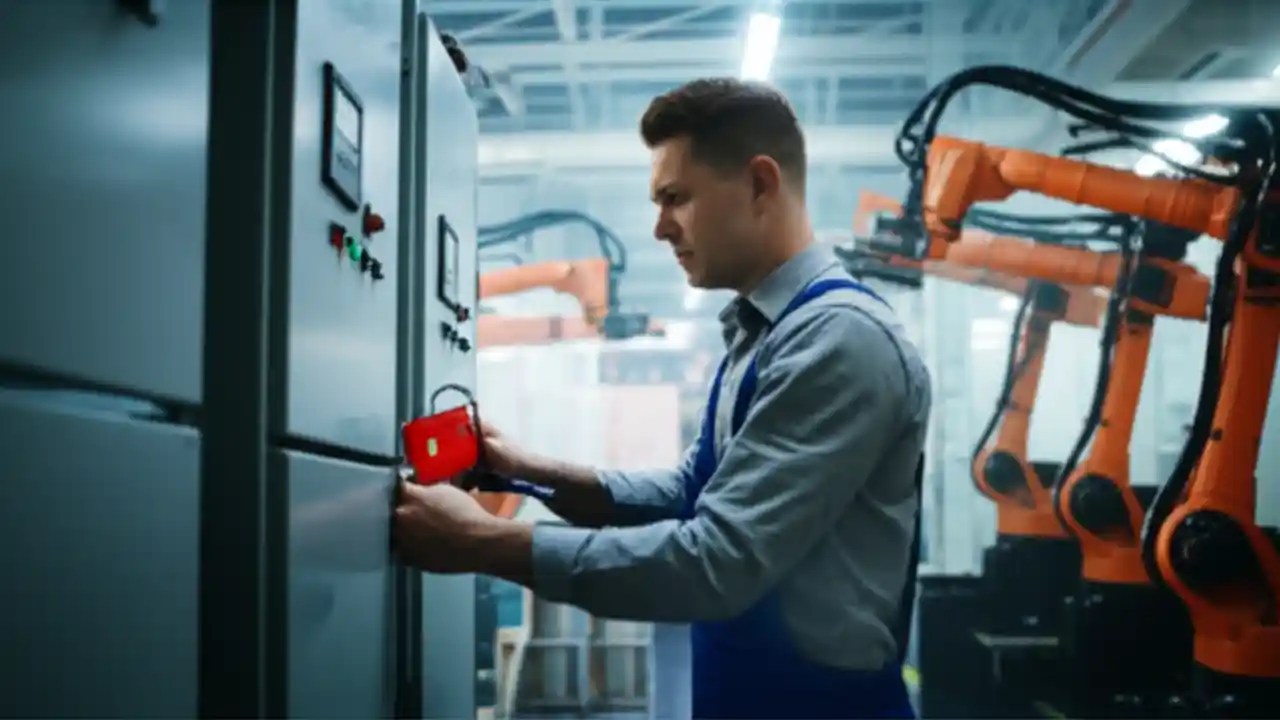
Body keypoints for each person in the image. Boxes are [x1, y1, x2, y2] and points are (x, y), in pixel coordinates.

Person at [393, 77, 933, 719]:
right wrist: (527, 469)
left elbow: (716, 562)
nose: (659, 228)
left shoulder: (838, 339)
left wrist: (484, 543)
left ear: (760, 184)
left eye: (675, 198)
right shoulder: (763, 332)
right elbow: (692, 491)